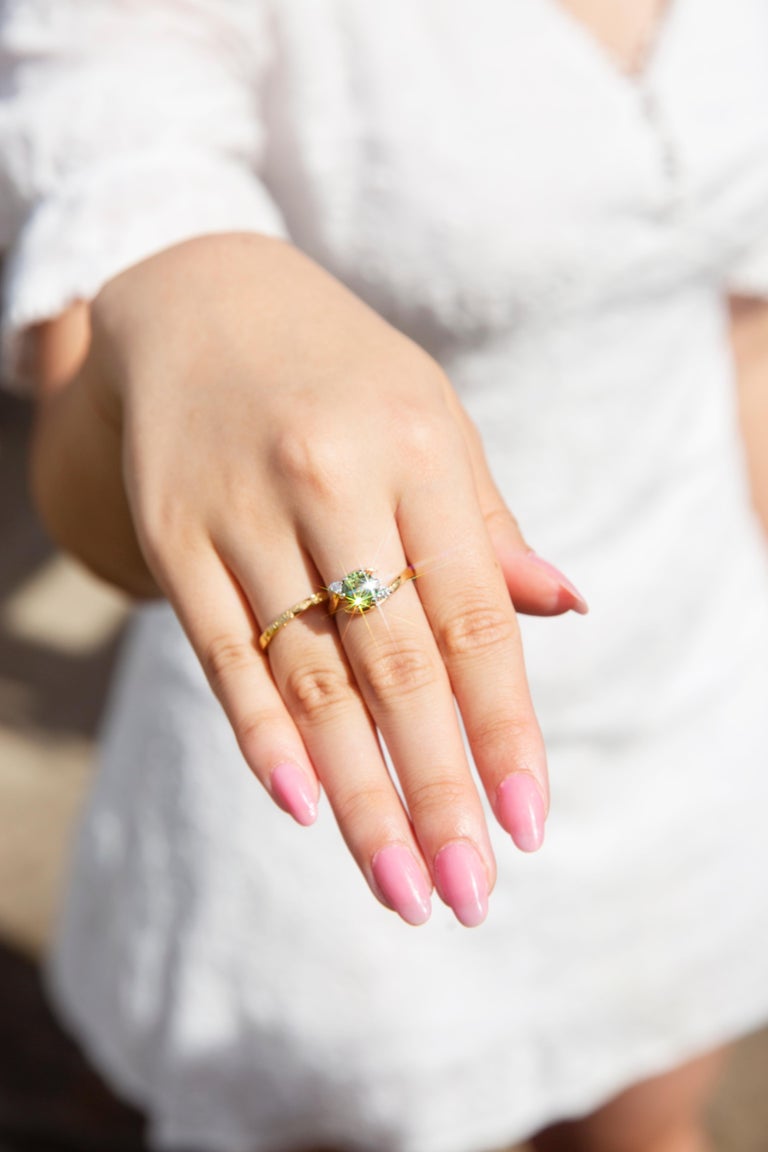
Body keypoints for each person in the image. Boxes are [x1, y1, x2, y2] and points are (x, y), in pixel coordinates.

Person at [2, 1, 768, 1150]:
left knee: (653, 1117)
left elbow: (738, 329)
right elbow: (93, 498)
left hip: (685, 688)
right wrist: (175, 292)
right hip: (348, 734)